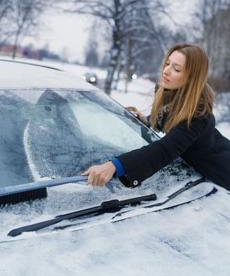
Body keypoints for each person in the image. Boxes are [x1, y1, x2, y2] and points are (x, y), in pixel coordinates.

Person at [82, 44, 230, 190]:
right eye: (167, 64)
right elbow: (171, 122)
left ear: (192, 78)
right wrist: (147, 120)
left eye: (176, 69)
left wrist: (115, 165)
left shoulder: (199, 115)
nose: (166, 71)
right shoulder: (172, 95)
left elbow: (164, 150)